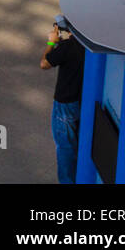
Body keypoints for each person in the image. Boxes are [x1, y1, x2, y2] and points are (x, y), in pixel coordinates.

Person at [41, 14, 85, 184]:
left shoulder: (67, 47)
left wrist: (51, 42)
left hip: (65, 105)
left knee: (65, 148)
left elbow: (44, 63)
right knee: (80, 142)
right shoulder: (90, 47)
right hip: (82, 101)